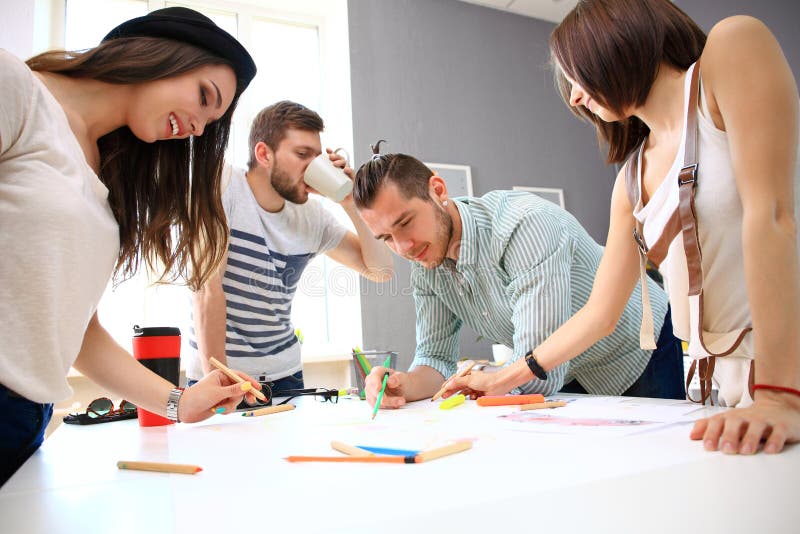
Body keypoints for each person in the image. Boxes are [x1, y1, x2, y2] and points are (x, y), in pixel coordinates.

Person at [448, 0, 800, 454]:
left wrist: (779, 396)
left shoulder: (732, 48)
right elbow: (600, 313)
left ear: (613, 42)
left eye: (576, 77)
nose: (575, 97)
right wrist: (504, 377)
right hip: (715, 391)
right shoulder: (630, 180)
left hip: (784, 375)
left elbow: (771, 217)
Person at [0, 7, 265, 486]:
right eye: (204, 96)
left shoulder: (103, 172)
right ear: (158, 52)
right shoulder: (17, 88)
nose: (197, 129)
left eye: (211, 121)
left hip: (25, 421)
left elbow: (79, 331)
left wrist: (179, 403)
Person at [353, 150, 684, 408]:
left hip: (636, 349)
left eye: (406, 222)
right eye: (386, 239)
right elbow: (436, 358)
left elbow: (540, 369)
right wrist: (403, 385)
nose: (404, 247)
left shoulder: (523, 226)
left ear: (437, 190)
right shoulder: (425, 261)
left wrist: (482, 377)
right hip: (559, 371)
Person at [187, 101, 393, 398]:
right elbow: (206, 290)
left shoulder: (313, 218)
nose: (312, 167)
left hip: (285, 377)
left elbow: (381, 271)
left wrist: (350, 201)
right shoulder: (223, 186)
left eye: (317, 157)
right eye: (301, 155)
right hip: (221, 373)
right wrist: (219, 380)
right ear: (263, 154)